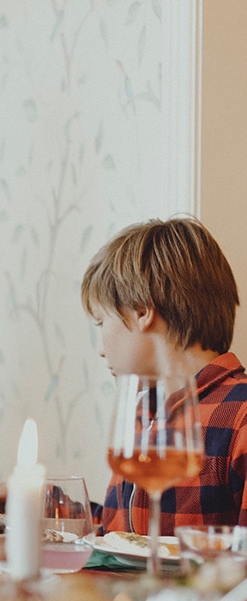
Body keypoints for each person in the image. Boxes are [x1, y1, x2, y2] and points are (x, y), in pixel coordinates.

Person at [81, 216, 247, 534]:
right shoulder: (143, 409)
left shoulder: (241, 416)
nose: (100, 349)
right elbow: (125, 535)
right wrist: (48, 504)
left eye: (101, 322)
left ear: (142, 312)